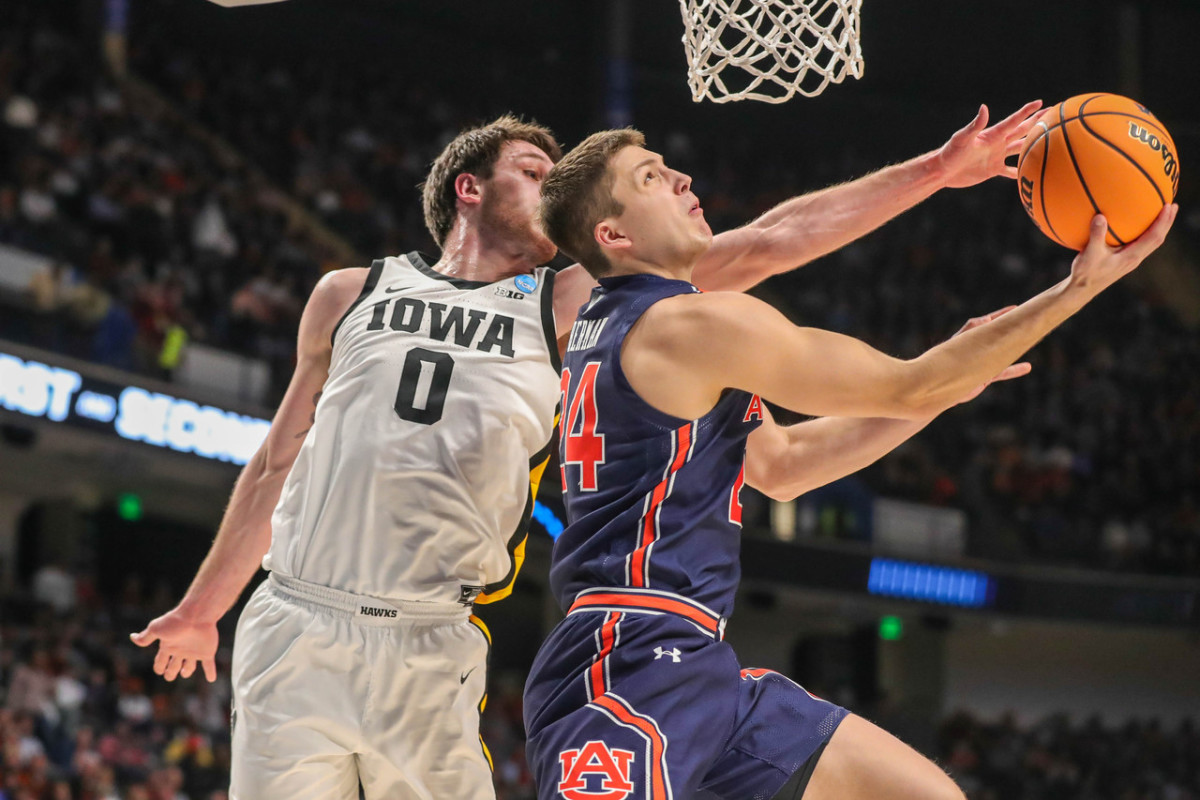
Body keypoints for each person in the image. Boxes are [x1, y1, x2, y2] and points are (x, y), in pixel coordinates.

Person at [129, 104, 1041, 800]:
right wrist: (204, 607)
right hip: (294, 613)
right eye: (534, 168)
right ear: (469, 187)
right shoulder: (348, 291)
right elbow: (278, 456)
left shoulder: (570, 305)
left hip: (430, 636)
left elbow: (769, 242)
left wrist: (934, 171)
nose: (554, 176)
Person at [524, 128, 1175, 800]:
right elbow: (910, 381)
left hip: (695, 661)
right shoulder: (686, 328)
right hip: (627, 657)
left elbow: (784, 462)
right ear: (614, 237)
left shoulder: (628, 325)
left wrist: (943, 387)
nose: (683, 179)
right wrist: (1076, 290)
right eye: (651, 178)